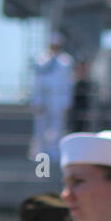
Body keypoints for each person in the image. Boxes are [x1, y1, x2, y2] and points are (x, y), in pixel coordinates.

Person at [30, 34, 74, 166]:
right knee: (40, 128)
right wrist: (36, 101)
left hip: (58, 98)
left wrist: (67, 101)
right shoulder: (42, 60)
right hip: (44, 98)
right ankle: (40, 155)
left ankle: (55, 155)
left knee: (57, 128)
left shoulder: (66, 61)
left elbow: (68, 83)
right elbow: (37, 83)